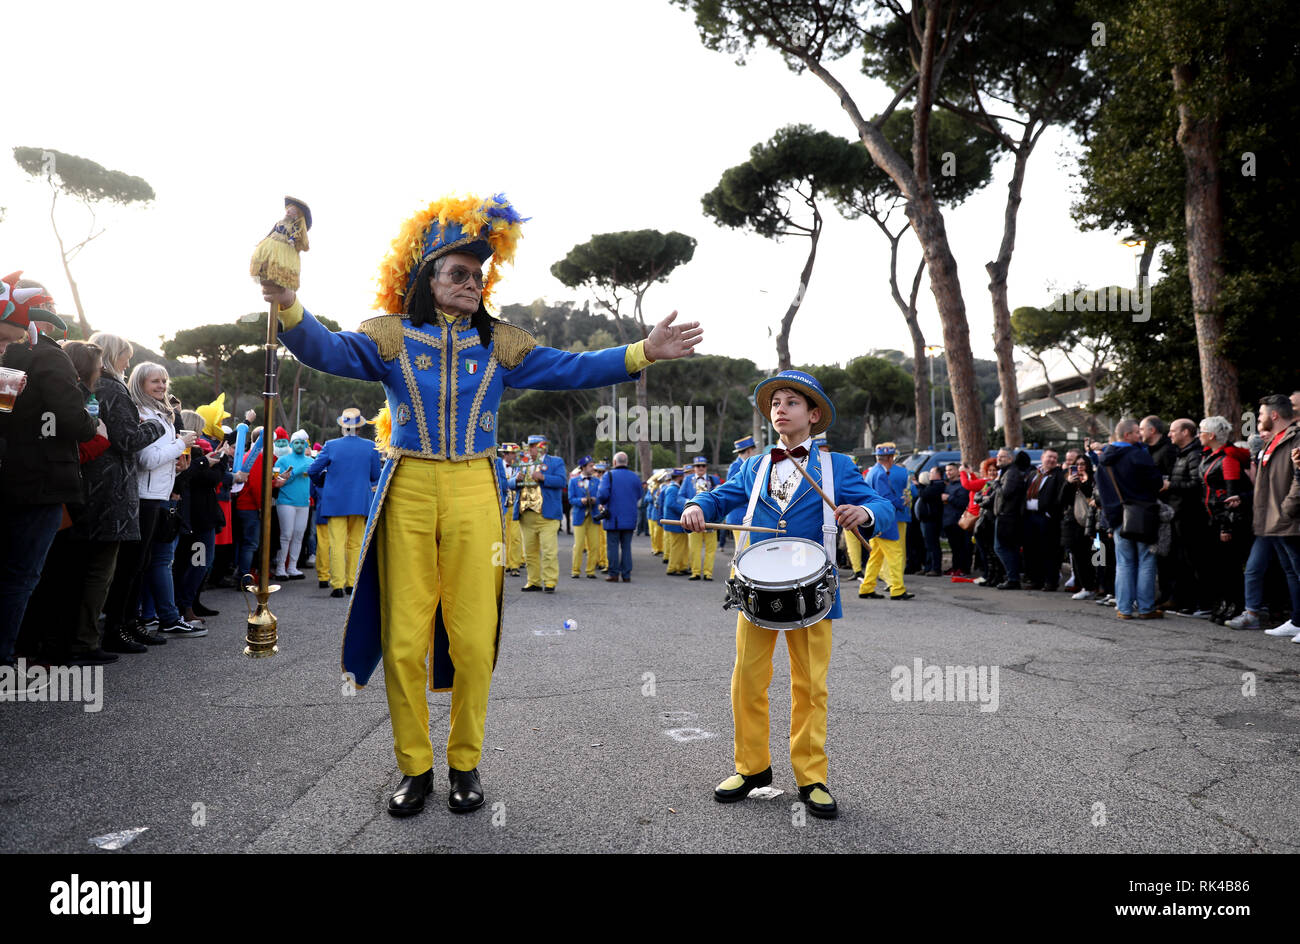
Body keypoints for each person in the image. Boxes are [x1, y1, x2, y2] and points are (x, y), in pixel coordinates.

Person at [262, 193, 700, 816]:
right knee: (405, 641)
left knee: (473, 641)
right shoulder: (389, 336)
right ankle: (414, 767)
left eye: (479, 275)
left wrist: (641, 352)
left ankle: (465, 764)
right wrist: (289, 305)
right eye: (458, 273)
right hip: (407, 485)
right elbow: (325, 349)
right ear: (428, 278)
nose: (472, 283)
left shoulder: (501, 344)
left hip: (475, 488)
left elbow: (571, 368)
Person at [681, 370, 894, 819]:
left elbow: (884, 506)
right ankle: (752, 767)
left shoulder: (837, 467)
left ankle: (810, 775)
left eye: (792, 402)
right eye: (776, 401)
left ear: (813, 415)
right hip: (755, 589)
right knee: (746, 682)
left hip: (814, 590)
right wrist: (699, 505)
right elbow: (723, 496)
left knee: (811, 686)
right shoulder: (753, 465)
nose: (780, 407)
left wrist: (864, 512)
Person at [0, 288, 98, 666]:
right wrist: (93, 423)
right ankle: (9, 654)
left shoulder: (14, 356)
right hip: (39, 480)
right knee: (23, 573)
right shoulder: (49, 356)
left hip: (13, 473)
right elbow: (74, 419)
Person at [1227, 395, 1300, 633]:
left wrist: (1287, 508)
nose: (1258, 419)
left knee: (1297, 570)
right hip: (1271, 520)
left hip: (1287, 518)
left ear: (1274, 415)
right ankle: (1297, 621)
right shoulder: (1271, 441)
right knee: (1290, 571)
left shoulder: (1295, 437)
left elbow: (1298, 479)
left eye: (1261, 414)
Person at [1094, 419, 1164, 620]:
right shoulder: (1137, 455)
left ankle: (1124, 608)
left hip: (1117, 517)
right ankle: (1145, 607)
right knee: (1146, 560)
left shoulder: (1103, 460)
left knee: (1124, 563)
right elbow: (1156, 482)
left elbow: (1103, 492)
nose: (1140, 435)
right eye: (1136, 432)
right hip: (1142, 515)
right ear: (1127, 436)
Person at [309, 409, 381, 598]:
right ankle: (352, 584)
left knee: (336, 544)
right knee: (356, 544)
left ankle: (337, 585)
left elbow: (313, 470)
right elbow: (375, 475)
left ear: (342, 426)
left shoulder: (331, 445)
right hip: (360, 501)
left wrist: (322, 482)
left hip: (334, 502)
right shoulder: (370, 446)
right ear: (359, 427)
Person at [1197, 416, 1253, 624]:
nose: (1198, 435)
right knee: (1220, 566)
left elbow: (1231, 496)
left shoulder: (1227, 458)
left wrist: (1226, 527)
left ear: (1211, 435)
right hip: (1213, 519)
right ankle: (1224, 603)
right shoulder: (1210, 456)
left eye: (1201, 431)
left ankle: (1235, 605)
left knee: (1230, 567)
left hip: (1227, 522)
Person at [1163, 418, 1211, 617]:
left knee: (1195, 561)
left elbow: (1197, 485)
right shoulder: (1181, 454)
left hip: (1191, 517)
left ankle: (1203, 604)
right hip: (1179, 515)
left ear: (1185, 433)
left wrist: (1170, 486)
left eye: (1173, 430)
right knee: (1183, 561)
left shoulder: (1193, 455)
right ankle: (1187, 602)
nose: (1169, 434)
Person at [858, 443, 913, 600]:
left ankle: (867, 587)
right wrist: (900, 503)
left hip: (874, 520)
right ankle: (897, 589)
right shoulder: (881, 474)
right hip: (884, 520)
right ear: (890, 458)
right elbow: (885, 497)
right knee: (896, 554)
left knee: (876, 556)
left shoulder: (872, 472)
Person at [514, 433, 567, 593]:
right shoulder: (522, 463)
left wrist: (543, 477)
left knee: (549, 551)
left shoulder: (556, 462)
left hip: (547, 515)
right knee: (529, 552)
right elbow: (513, 484)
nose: (531, 449)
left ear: (543, 447)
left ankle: (550, 582)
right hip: (526, 514)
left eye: (534, 446)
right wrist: (516, 479)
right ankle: (533, 581)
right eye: (530, 446)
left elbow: (561, 481)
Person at [1022, 449, 1066, 591]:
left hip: (1046, 518)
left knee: (1048, 551)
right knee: (1031, 550)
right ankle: (1035, 580)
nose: (1052, 460)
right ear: (1042, 457)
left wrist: (1050, 513)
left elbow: (1060, 497)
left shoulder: (1058, 475)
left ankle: (1050, 581)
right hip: (1030, 517)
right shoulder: (1034, 474)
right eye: (1049, 457)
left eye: (1054, 457)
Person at [272, 429, 313, 580]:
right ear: (291, 444)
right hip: (286, 502)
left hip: (303, 503)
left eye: (302, 443)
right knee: (286, 535)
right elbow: (276, 482)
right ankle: (280, 568)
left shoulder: (310, 461)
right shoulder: (282, 461)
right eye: (296, 442)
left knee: (298, 535)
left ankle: (292, 567)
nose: (299, 445)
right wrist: (295, 472)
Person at [597, 450, 641, 582]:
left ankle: (614, 573)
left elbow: (602, 495)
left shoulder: (608, 475)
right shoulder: (635, 476)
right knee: (626, 547)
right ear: (627, 462)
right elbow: (639, 494)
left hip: (613, 517)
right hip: (630, 517)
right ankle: (626, 575)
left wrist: (603, 503)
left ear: (614, 462)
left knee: (613, 546)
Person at [681, 456, 720, 580]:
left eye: (703, 466)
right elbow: (679, 497)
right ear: (694, 468)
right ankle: (695, 572)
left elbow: (720, 497)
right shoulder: (688, 480)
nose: (701, 468)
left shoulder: (713, 479)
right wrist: (691, 503)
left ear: (706, 467)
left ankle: (708, 573)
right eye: (698, 466)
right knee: (694, 548)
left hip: (710, 520)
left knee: (711, 548)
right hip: (693, 519)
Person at [568, 455, 601, 579]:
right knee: (579, 545)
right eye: (591, 466)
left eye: (593, 465)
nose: (593, 468)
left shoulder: (597, 481)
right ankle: (575, 570)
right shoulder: (573, 481)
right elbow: (571, 499)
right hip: (579, 516)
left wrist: (595, 500)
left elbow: (601, 497)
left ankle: (590, 570)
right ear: (583, 467)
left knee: (594, 545)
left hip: (593, 516)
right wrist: (580, 500)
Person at [940, 462, 972, 576]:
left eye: (951, 470)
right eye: (947, 470)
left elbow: (963, 503)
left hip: (958, 521)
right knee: (954, 547)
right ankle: (955, 567)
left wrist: (949, 498)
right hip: (948, 520)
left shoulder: (962, 485)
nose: (948, 472)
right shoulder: (948, 485)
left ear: (958, 471)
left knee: (961, 547)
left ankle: (963, 568)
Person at [660, 468, 689, 575]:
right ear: (680, 477)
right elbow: (671, 504)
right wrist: (686, 511)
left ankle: (681, 566)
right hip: (675, 521)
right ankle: (672, 568)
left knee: (682, 545)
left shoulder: (673, 487)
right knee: (677, 546)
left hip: (676, 521)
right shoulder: (673, 488)